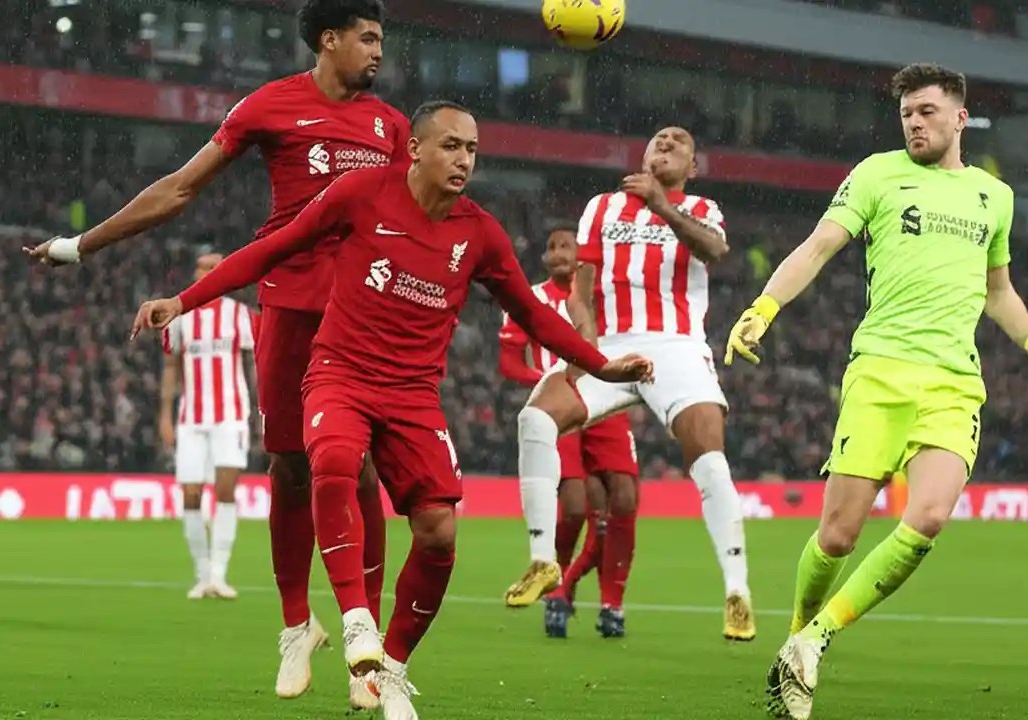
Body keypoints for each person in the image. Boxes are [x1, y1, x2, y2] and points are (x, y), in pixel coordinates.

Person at [130, 101, 654, 718]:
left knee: (439, 534)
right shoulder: (361, 194)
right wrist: (185, 300)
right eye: (451, 146)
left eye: (472, 150)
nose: (463, 160)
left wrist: (601, 366)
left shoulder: (480, 233)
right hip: (340, 373)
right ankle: (356, 619)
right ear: (415, 149)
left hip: (413, 395)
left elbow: (533, 314)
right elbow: (273, 248)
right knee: (332, 462)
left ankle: (393, 671)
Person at [24, 0, 406, 703]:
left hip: (361, 315)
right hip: (288, 306)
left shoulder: (392, 127)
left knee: (359, 468)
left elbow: (418, 220)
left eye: (382, 38)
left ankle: (369, 650)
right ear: (329, 40)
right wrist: (82, 245)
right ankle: (298, 626)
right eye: (368, 37)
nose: (380, 51)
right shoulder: (270, 106)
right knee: (288, 467)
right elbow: (179, 189)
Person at [726, 63, 1028, 720]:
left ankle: (813, 641)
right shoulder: (877, 174)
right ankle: (796, 638)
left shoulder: (994, 197)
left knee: (930, 517)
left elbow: (997, 290)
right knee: (838, 535)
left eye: (926, 111)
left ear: (960, 118)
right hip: (881, 371)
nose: (914, 123)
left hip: (954, 381)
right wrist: (762, 309)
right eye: (906, 114)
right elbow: (818, 246)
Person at [505, 126, 755, 643]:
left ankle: (737, 592)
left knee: (709, 456)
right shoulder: (601, 208)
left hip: (676, 345)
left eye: (679, 141)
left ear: (693, 167)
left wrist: (661, 205)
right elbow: (581, 293)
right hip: (610, 344)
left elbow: (714, 250)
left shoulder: (701, 209)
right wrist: (589, 354)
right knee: (535, 418)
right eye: (658, 138)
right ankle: (542, 560)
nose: (666, 142)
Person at [497, 223, 641, 639]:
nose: (559, 252)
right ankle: (557, 589)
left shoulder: (605, 298)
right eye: (552, 246)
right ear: (544, 257)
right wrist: (548, 381)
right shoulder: (530, 299)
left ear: (583, 256)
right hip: (563, 405)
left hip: (604, 400)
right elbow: (509, 362)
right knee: (578, 507)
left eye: (567, 245)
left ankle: (611, 604)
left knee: (624, 499)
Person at [160, 253, 257, 600]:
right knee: (190, 495)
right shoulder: (179, 317)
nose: (203, 272)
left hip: (231, 415)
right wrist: (165, 415)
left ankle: (219, 574)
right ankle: (202, 575)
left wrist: (262, 410)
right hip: (191, 418)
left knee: (225, 490)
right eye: (200, 267)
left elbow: (254, 365)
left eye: (211, 268)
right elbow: (171, 367)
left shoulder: (240, 315)